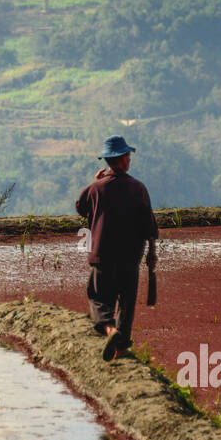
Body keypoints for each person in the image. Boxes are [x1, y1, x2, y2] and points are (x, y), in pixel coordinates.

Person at [75, 135, 157, 361]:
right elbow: (149, 225)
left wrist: (94, 182)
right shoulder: (138, 188)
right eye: (128, 157)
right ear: (121, 160)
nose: (129, 160)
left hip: (102, 255)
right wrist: (152, 252)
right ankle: (121, 348)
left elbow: (81, 208)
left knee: (99, 296)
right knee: (126, 303)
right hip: (130, 257)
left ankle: (111, 330)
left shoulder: (96, 188)